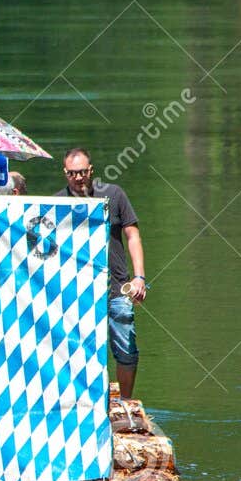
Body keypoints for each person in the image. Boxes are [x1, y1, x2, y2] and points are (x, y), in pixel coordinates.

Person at [56, 147, 146, 398]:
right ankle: (83, 403)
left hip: (116, 287)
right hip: (76, 291)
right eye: (72, 173)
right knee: (78, 351)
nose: (78, 177)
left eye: (82, 172)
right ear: (65, 173)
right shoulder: (57, 203)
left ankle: (126, 401)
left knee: (126, 347)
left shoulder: (113, 195)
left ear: (91, 171)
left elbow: (132, 235)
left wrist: (139, 277)